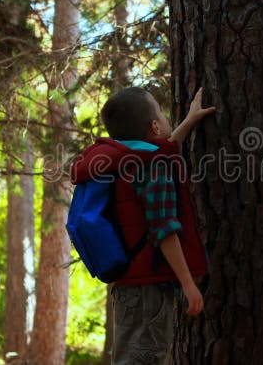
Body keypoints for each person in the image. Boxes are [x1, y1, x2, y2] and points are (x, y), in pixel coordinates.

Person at [70, 86, 215, 364]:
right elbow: (163, 227)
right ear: (154, 126)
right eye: (160, 111)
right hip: (149, 289)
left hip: (129, 286)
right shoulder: (153, 166)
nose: (164, 115)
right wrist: (188, 283)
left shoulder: (125, 159)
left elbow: (162, 149)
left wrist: (188, 121)